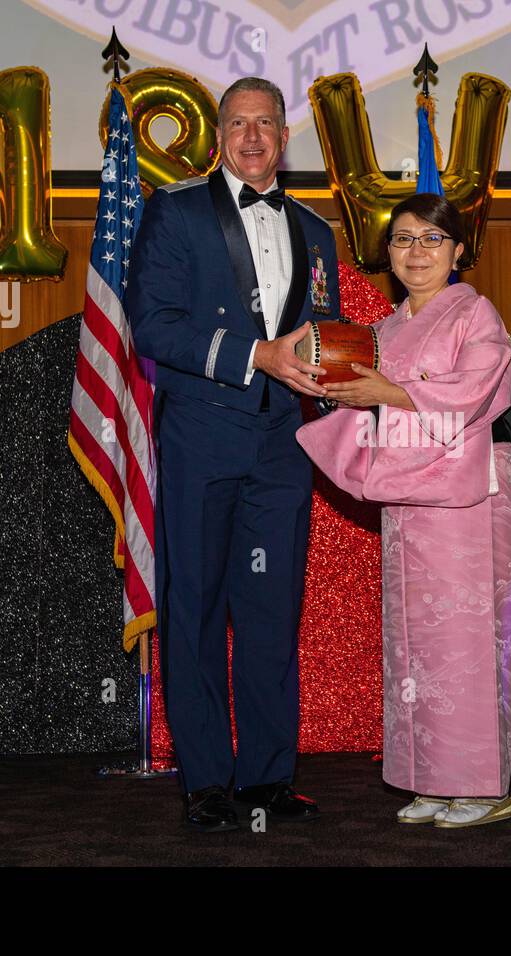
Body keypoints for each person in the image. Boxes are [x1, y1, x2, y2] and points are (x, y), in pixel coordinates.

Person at [124, 77, 340, 833]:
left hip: (283, 447)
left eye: (265, 123)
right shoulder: (176, 210)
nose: (252, 137)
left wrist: (351, 392)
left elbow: (324, 338)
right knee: (194, 610)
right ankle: (208, 781)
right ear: (219, 136)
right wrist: (256, 356)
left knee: (272, 612)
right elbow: (152, 325)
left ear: (284, 136)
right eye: (238, 124)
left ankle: (269, 778)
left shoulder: (316, 229)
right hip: (202, 438)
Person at [296, 194, 511, 828]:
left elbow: (475, 392)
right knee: (415, 641)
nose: (416, 251)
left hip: (465, 498)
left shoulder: (475, 314)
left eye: (431, 238)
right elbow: (367, 404)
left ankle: (482, 788)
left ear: (457, 251)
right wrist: (337, 395)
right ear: (387, 253)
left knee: (466, 639)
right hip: (406, 498)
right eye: (402, 239)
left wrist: (388, 392)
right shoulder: (385, 330)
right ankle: (430, 778)